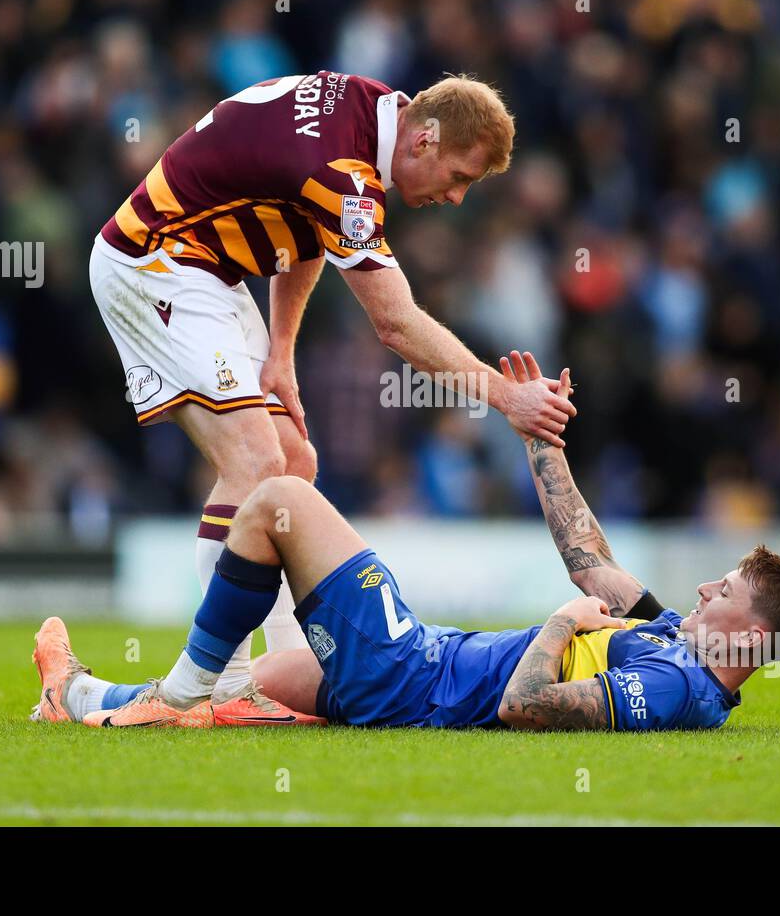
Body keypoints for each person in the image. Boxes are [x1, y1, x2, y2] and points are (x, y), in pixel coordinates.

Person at [79, 72, 576, 716]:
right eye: (460, 177)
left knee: (293, 465)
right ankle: (219, 687)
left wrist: (281, 349)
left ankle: (287, 671)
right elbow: (395, 324)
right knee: (255, 467)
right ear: (423, 140)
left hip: (209, 271)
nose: (456, 198)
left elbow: (303, 224)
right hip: (154, 262)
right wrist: (504, 397)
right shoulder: (345, 173)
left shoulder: (368, 109)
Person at [32, 353, 780, 731]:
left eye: (722, 591)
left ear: (751, 639)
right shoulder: (668, 641)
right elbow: (593, 564)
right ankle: (73, 698)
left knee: (280, 498)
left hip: (413, 676)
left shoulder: (682, 688)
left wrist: (559, 624)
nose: (702, 591)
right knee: (248, 688)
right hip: (426, 661)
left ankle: (177, 700)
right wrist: (541, 439)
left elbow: (526, 707)